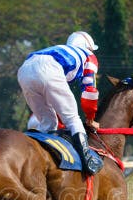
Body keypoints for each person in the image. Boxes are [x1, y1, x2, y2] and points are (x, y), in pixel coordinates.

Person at [17, 31, 103, 175]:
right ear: (88, 47)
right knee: (73, 118)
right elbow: (90, 90)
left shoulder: (57, 49)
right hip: (49, 69)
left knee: (48, 123)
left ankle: (39, 161)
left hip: (24, 69)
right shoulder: (89, 55)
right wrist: (90, 118)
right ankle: (88, 161)